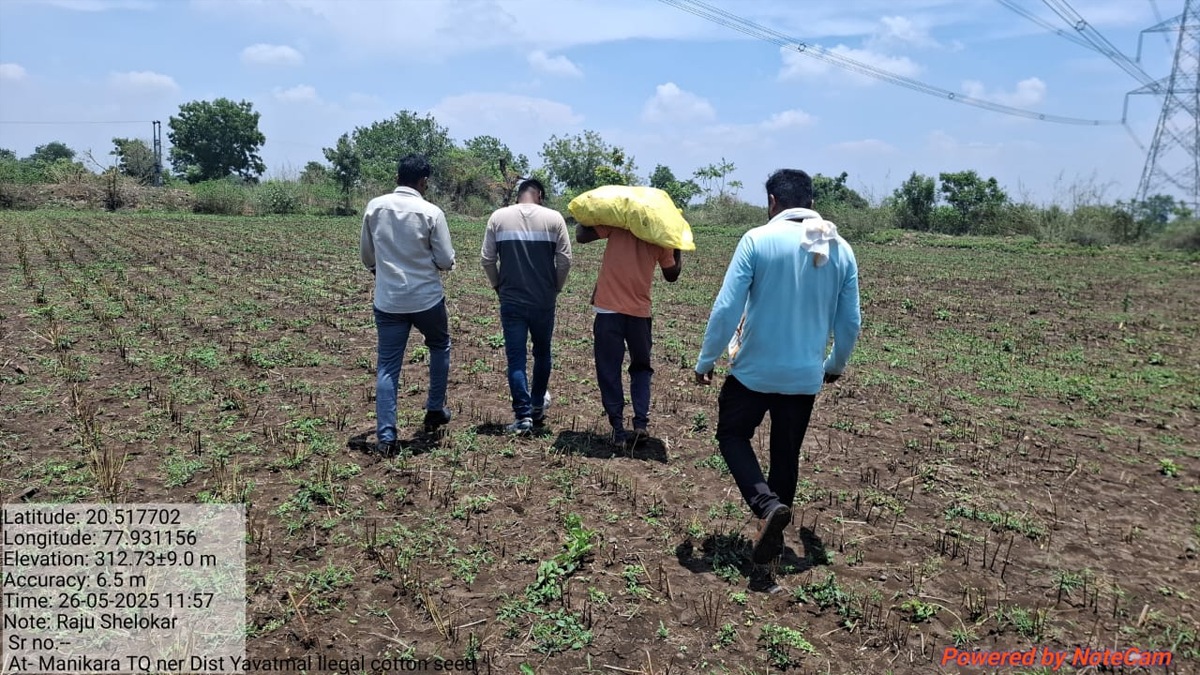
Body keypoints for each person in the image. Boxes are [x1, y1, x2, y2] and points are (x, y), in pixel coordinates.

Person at [694, 169, 861, 565]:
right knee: (786, 454)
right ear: (812, 203)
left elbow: (726, 308)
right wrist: (835, 364)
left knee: (732, 434)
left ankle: (768, 508)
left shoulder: (757, 239)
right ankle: (774, 535)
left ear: (772, 201)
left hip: (753, 371)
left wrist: (707, 359)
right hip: (804, 376)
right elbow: (850, 322)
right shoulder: (841, 249)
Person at [361, 154, 456, 452]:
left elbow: (367, 255)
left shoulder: (375, 207)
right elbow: (445, 259)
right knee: (439, 345)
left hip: (389, 300)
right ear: (423, 181)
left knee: (388, 366)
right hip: (427, 299)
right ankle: (434, 408)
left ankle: (386, 437)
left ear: (397, 177)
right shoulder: (431, 212)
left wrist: (381, 271)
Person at [576, 220, 681, 446]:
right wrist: (677, 243)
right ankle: (640, 423)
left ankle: (618, 430)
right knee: (641, 367)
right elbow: (672, 274)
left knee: (609, 369)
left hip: (608, 310)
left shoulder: (618, 222)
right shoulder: (659, 233)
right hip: (639, 313)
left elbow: (581, 236)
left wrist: (586, 218)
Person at [481, 178, 572, 434]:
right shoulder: (554, 219)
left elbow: (487, 259)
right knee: (542, 353)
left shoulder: (498, 217)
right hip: (543, 300)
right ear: (539, 195)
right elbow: (565, 260)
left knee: (516, 358)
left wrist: (498, 286)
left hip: (512, 300)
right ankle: (536, 406)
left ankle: (522, 417)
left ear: (518, 195)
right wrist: (556, 287)